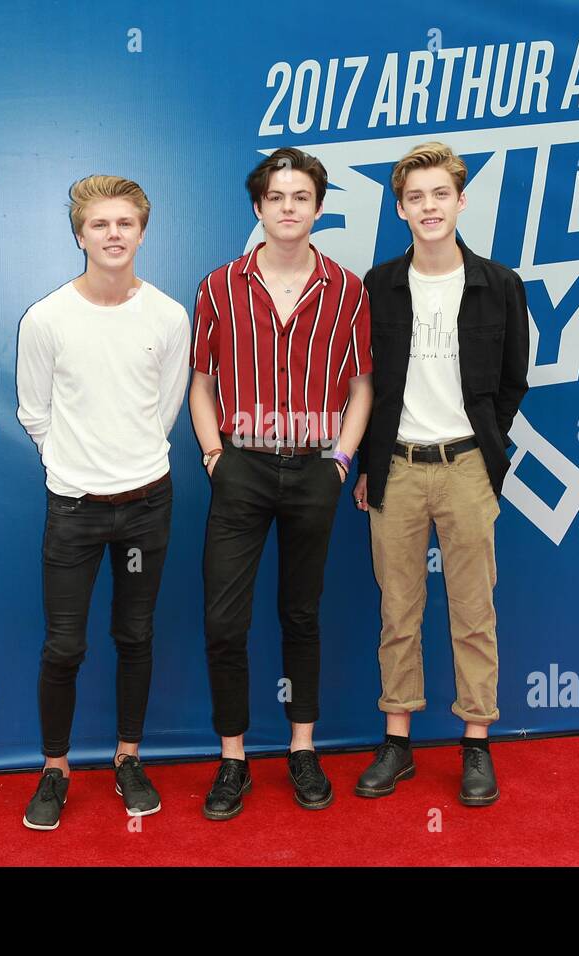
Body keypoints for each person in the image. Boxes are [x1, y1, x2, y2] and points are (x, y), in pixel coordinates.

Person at [189, 147, 373, 819]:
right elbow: (202, 383)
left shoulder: (349, 290)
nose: (289, 207)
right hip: (240, 467)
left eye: (301, 197)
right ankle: (233, 757)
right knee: (224, 621)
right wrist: (215, 456)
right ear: (258, 207)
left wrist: (340, 461)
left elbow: (361, 387)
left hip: (313, 472)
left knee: (301, 613)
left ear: (318, 208)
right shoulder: (217, 287)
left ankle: (302, 747)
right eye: (277, 196)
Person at [352, 142, 529, 806]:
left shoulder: (500, 285)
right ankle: (397, 742)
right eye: (415, 197)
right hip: (394, 471)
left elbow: (512, 381)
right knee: (398, 610)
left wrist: (485, 458)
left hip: (465, 468)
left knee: (473, 613)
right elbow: (364, 382)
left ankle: (475, 742)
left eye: (439, 194)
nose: (429, 207)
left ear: (460, 200)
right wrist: (369, 463)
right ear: (400, 209)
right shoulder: (378, 286)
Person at [15, 175, 190, 827]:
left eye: (125, 223)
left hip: (148, 507)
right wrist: (72, 468)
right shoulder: (47, 318)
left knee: (135, 633)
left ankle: (127, 758)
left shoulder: (170, 317)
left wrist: (130, 462)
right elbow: (34, 413)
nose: (113, 234)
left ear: (142, 231)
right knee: (64, 645)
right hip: (75, 510)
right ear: (80, 234)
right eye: (100, 224)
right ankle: (55, 769)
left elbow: (166, 406)